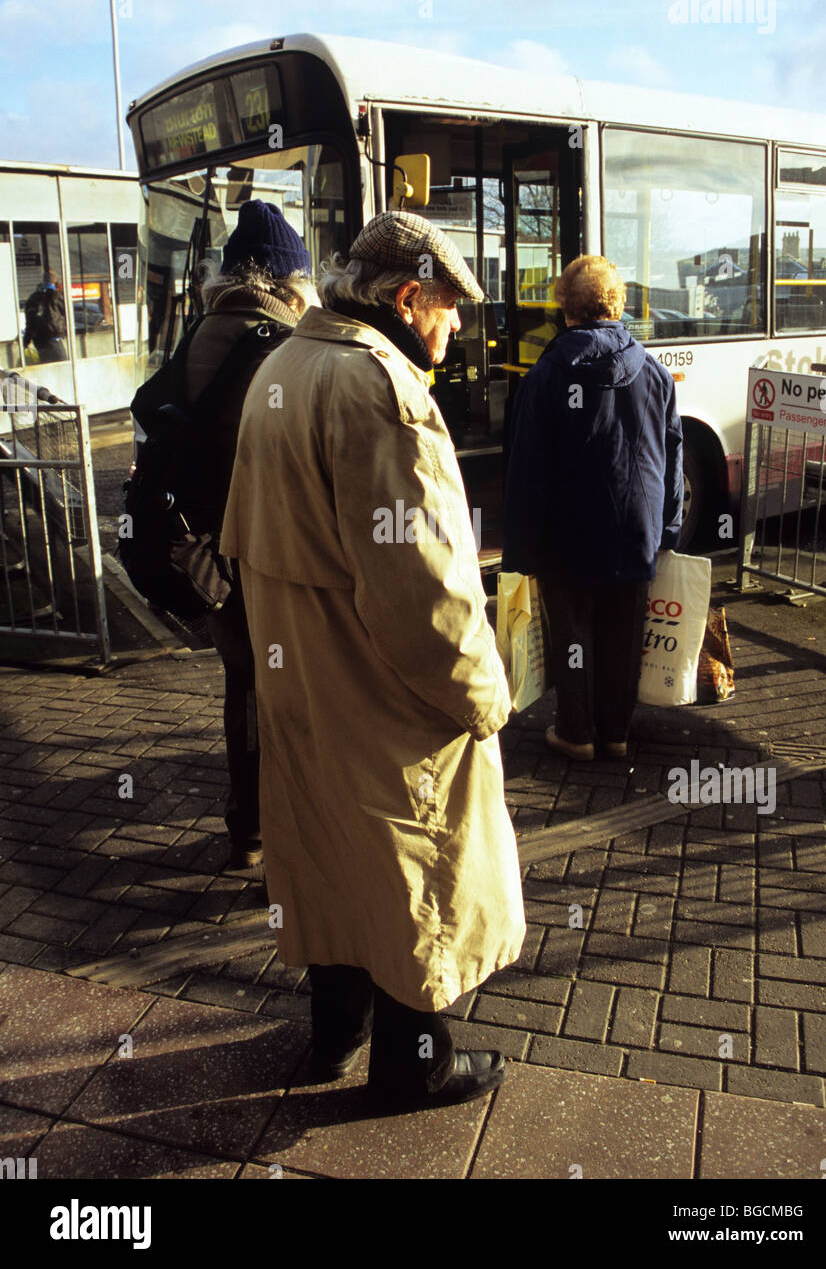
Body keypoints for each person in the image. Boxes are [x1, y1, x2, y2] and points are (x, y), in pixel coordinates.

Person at [220, 211, 526, 1110]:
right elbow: (426, 594)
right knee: (414, 866)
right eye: (449, 310)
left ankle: (334, 1032)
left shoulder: (284, 363)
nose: (456, 330)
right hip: (379, 690)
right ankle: (415, 1061)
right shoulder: (379, 388)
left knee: (328, 851)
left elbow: (247, 538)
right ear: (407, 297)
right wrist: (484, 695)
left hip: (301, 677)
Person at [502, 254, 683, 760]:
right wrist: (667, 529)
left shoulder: (546, 375)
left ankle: (577, 733)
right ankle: (617, 732)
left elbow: (526, 469)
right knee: (624, 632)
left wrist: (520, 548)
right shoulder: (654, 372)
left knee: (574, 630)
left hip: (568, 533)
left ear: (565, 310)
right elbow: (672, 458)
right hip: (635, 530)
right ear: (619, 305)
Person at [188, 200, 318, 870]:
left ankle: (250, 827)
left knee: (243, 681)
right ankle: (286, 827)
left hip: (212, 549)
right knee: (287, 686)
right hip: (268, 549)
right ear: (287, 281)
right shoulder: (278, 342)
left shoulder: (200, 331)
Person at [23, 271, 68, 363]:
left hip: (39, 342)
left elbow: (30, 322)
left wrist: (26, 341)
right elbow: (66, 314)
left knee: (47, 368)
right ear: (55, 283)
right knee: (63, 368)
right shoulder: (57, 296)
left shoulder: (33, 298)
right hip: (54, 340)